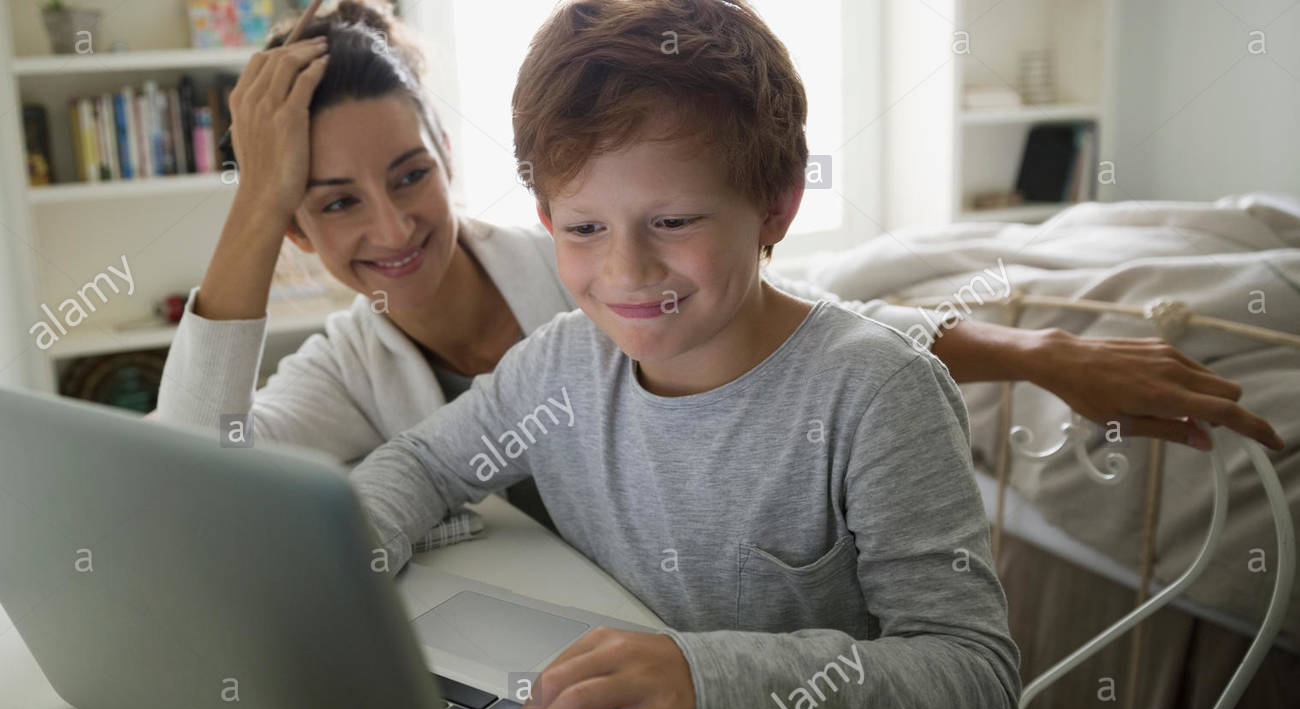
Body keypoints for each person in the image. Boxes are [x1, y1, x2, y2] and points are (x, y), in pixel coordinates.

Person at [154, 0, 1284, 524]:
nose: (394, 226)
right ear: (292, 229)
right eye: (334, 203)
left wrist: (1041, 356)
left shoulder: (581, 263)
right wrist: (255, 199)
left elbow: (813, 325)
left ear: (448, 161)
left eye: (411, 175)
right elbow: (185, 483)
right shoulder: (346, 374)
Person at [347, 0, 1020, 709]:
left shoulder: (877, 394)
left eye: (672, 222)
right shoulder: (560, 367)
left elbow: (976, 685)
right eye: (585, 228)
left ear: (777, 205)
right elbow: (426, 462)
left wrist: (707, 680)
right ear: (546, 220)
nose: (626, 272)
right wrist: (342, 571)